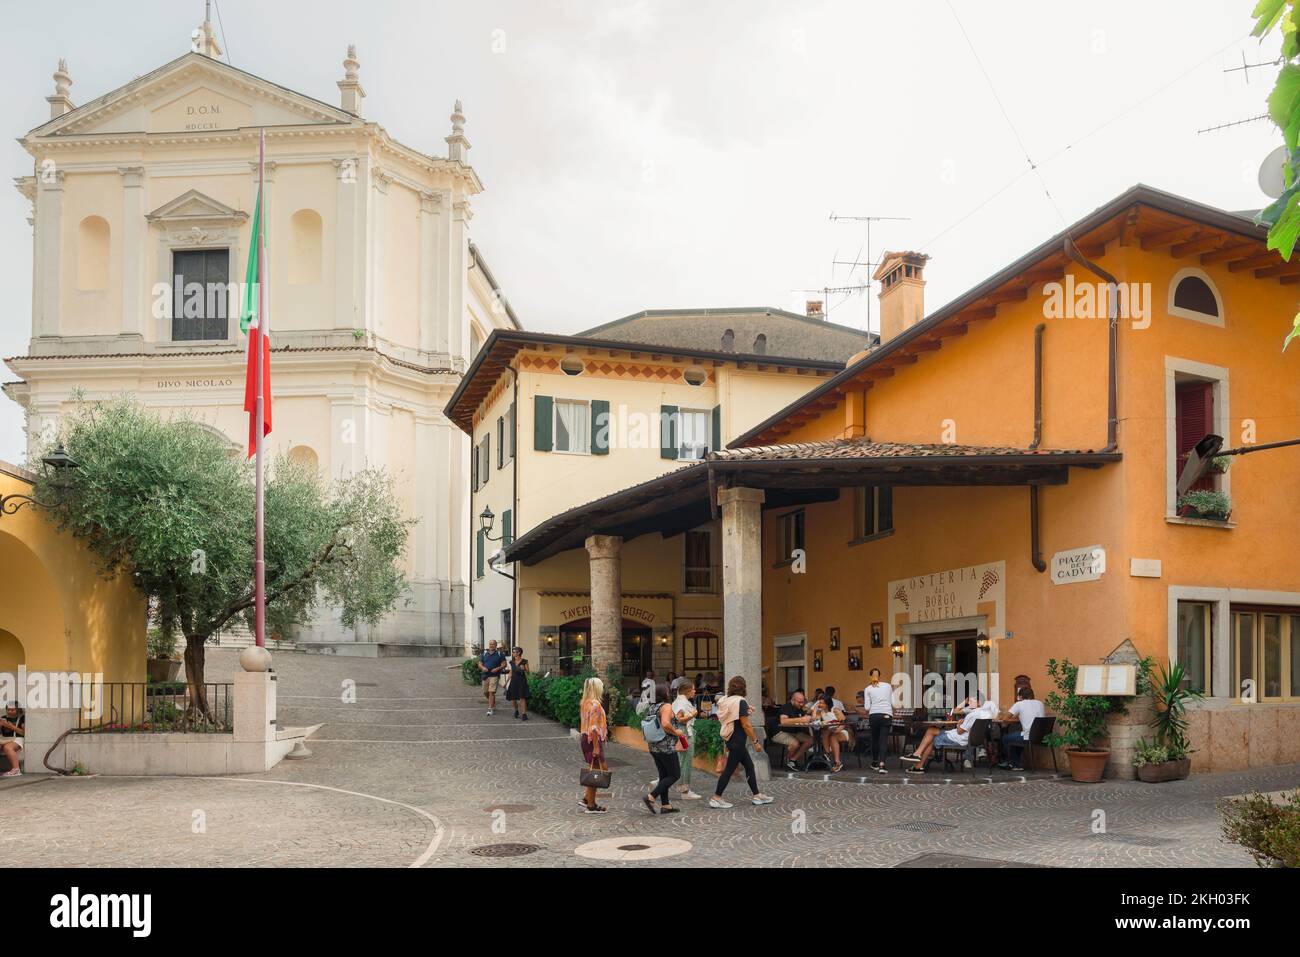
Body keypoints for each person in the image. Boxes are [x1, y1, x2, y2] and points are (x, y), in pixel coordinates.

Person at [709, 676, 774, 808]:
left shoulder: (725, 699)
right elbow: (745, 725)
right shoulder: (740, 701)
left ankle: (757, 795)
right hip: (738, 740)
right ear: (744, 688)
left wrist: (745, 709)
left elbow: (730, 713)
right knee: (728, 770)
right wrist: (755, 741)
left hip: (730, 738)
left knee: (749, 766)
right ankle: (716, 797)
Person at [903, 700, 992, 773]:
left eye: (972, 701)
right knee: (931, 732)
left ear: (979, 702)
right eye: (969, 701)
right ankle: (918, 764)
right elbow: (956, 711)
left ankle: (917, 756)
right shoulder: (983, 713)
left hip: (958, 739)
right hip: (966, 739)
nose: (969, 703)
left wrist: (959, 724)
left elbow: (960, 731)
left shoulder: (972, 715)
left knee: (930, 732)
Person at [643, 696, 686, 814]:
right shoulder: (666, 706)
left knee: (664, 775)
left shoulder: (652, 707)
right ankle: (651, 796)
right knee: (675, 774)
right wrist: (676, 732)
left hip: (654, 746)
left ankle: (665, 805)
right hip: (666, 746)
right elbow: (666, 724)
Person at [579, 677, 609, 813]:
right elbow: (594, 728)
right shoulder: (595, 704)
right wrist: (596, 747)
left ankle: (587, 798)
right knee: (600, 770)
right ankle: (590, 805)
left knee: (596, 770)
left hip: (585, 738)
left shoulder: (585, 703)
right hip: (592, 740)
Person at [999, 686, 1046, 771]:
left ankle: (1013, 763)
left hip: (1028, 736)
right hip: (1041, 736)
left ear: (1020, 696)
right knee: (1016, 737)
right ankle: (1017, 763)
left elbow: (1005, 718)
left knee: (1006, 738)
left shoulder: (1019, 704)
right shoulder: (1040, 703)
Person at [672, 680, 702, 800]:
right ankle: (685, 791)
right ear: (687, 691)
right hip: (685, 733)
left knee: (682, 761)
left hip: (683, 733)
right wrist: (693, 715)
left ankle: (660, 782)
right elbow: (680, 719)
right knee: (685, 761)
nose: (695, 691)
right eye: (693, 689)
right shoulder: (681, 702)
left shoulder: (680, 701)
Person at [772, 690, 814, 770]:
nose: (801, 704)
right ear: (793, 700)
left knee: (811, 740)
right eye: (799, 702)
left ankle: (792, 759)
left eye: (803, 702)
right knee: (795, 743)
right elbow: (783, 721)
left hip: (794, 732)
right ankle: (787, 760)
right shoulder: (785, 707)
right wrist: (801, 719)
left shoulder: (800, 708)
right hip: (780, 732)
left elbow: (805, 718)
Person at [862, 668, 893, 774]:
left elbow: (866, 707)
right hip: (886, 714)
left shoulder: (868, 689)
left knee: (874, 739)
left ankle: (875, 762)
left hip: (874, 715)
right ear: (880, 676)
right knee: (883, 740)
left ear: (870, 676)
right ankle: (882, 765)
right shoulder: (888, 686)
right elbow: (892, 701)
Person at [811, 689, 846, 772]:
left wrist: (837, 730)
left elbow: (844, 723)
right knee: (826, 732)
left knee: (832, 737)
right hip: (830, 732)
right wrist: (815, 710)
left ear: (827, 703)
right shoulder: (820, 712)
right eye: (819, 702)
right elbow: (814, 721)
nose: (820, 704)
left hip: (842, 731)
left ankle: (837, 762)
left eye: (822, 703)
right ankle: (827, 754)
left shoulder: (835, 710)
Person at [478, 640, 507, 716]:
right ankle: (492, 703)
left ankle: (490, 708)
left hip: (494, 676)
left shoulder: (500, 654)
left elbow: (504, 664)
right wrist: (483, 668)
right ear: (489, 645)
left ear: (496, 645)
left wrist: (498, 668)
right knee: (485, 692)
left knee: (491, 692)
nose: (492, 645)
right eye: (490, 644)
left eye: (493, 644)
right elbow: (480, 664)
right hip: (485, 675)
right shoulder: (484, 654)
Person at [504, 646, 530, 721]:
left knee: (522, 698)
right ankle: (516, 710)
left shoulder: (525, 661)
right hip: (513, 682)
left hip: (522, 681)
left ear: (518, 653)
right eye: (513, 652)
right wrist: (506, 683)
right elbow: (511, 672)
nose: (512, 653)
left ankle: (524, 714)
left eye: (514, 652)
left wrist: (524, 668)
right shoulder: (512, 662)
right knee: (513, 698)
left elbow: (528, 672)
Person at [1, 703, 24, 777]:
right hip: (4, 739)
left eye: (13, 710)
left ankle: (16, 770)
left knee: (7, 747)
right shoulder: (3, 718)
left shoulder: (22, 718)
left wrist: (10, 726)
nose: (10, 711)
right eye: (8, 710)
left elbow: (23, 733)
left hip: (18, 738)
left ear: (18, 709)